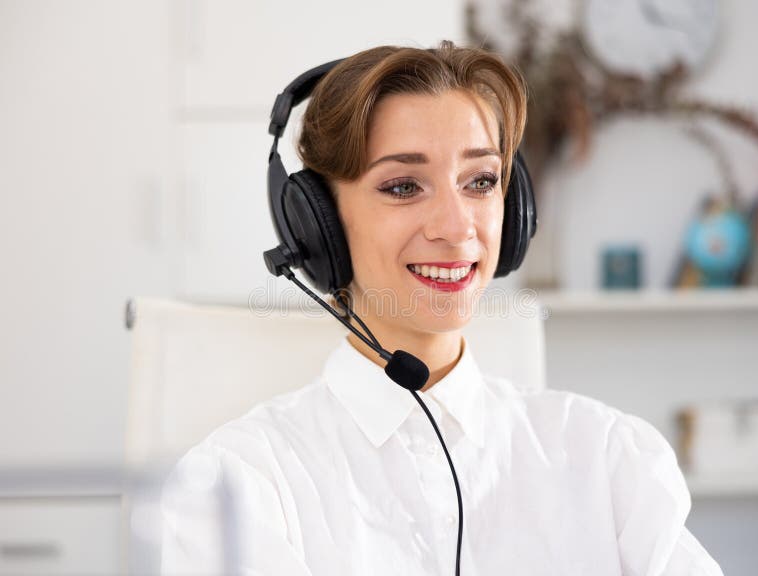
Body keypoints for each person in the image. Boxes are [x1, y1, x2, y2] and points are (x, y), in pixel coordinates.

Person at [160, 41, 723, 575]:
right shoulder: (243, 483)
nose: (457, 230)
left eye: (480, 181)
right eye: (404, 187)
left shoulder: (608, 460)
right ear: (316, 226)